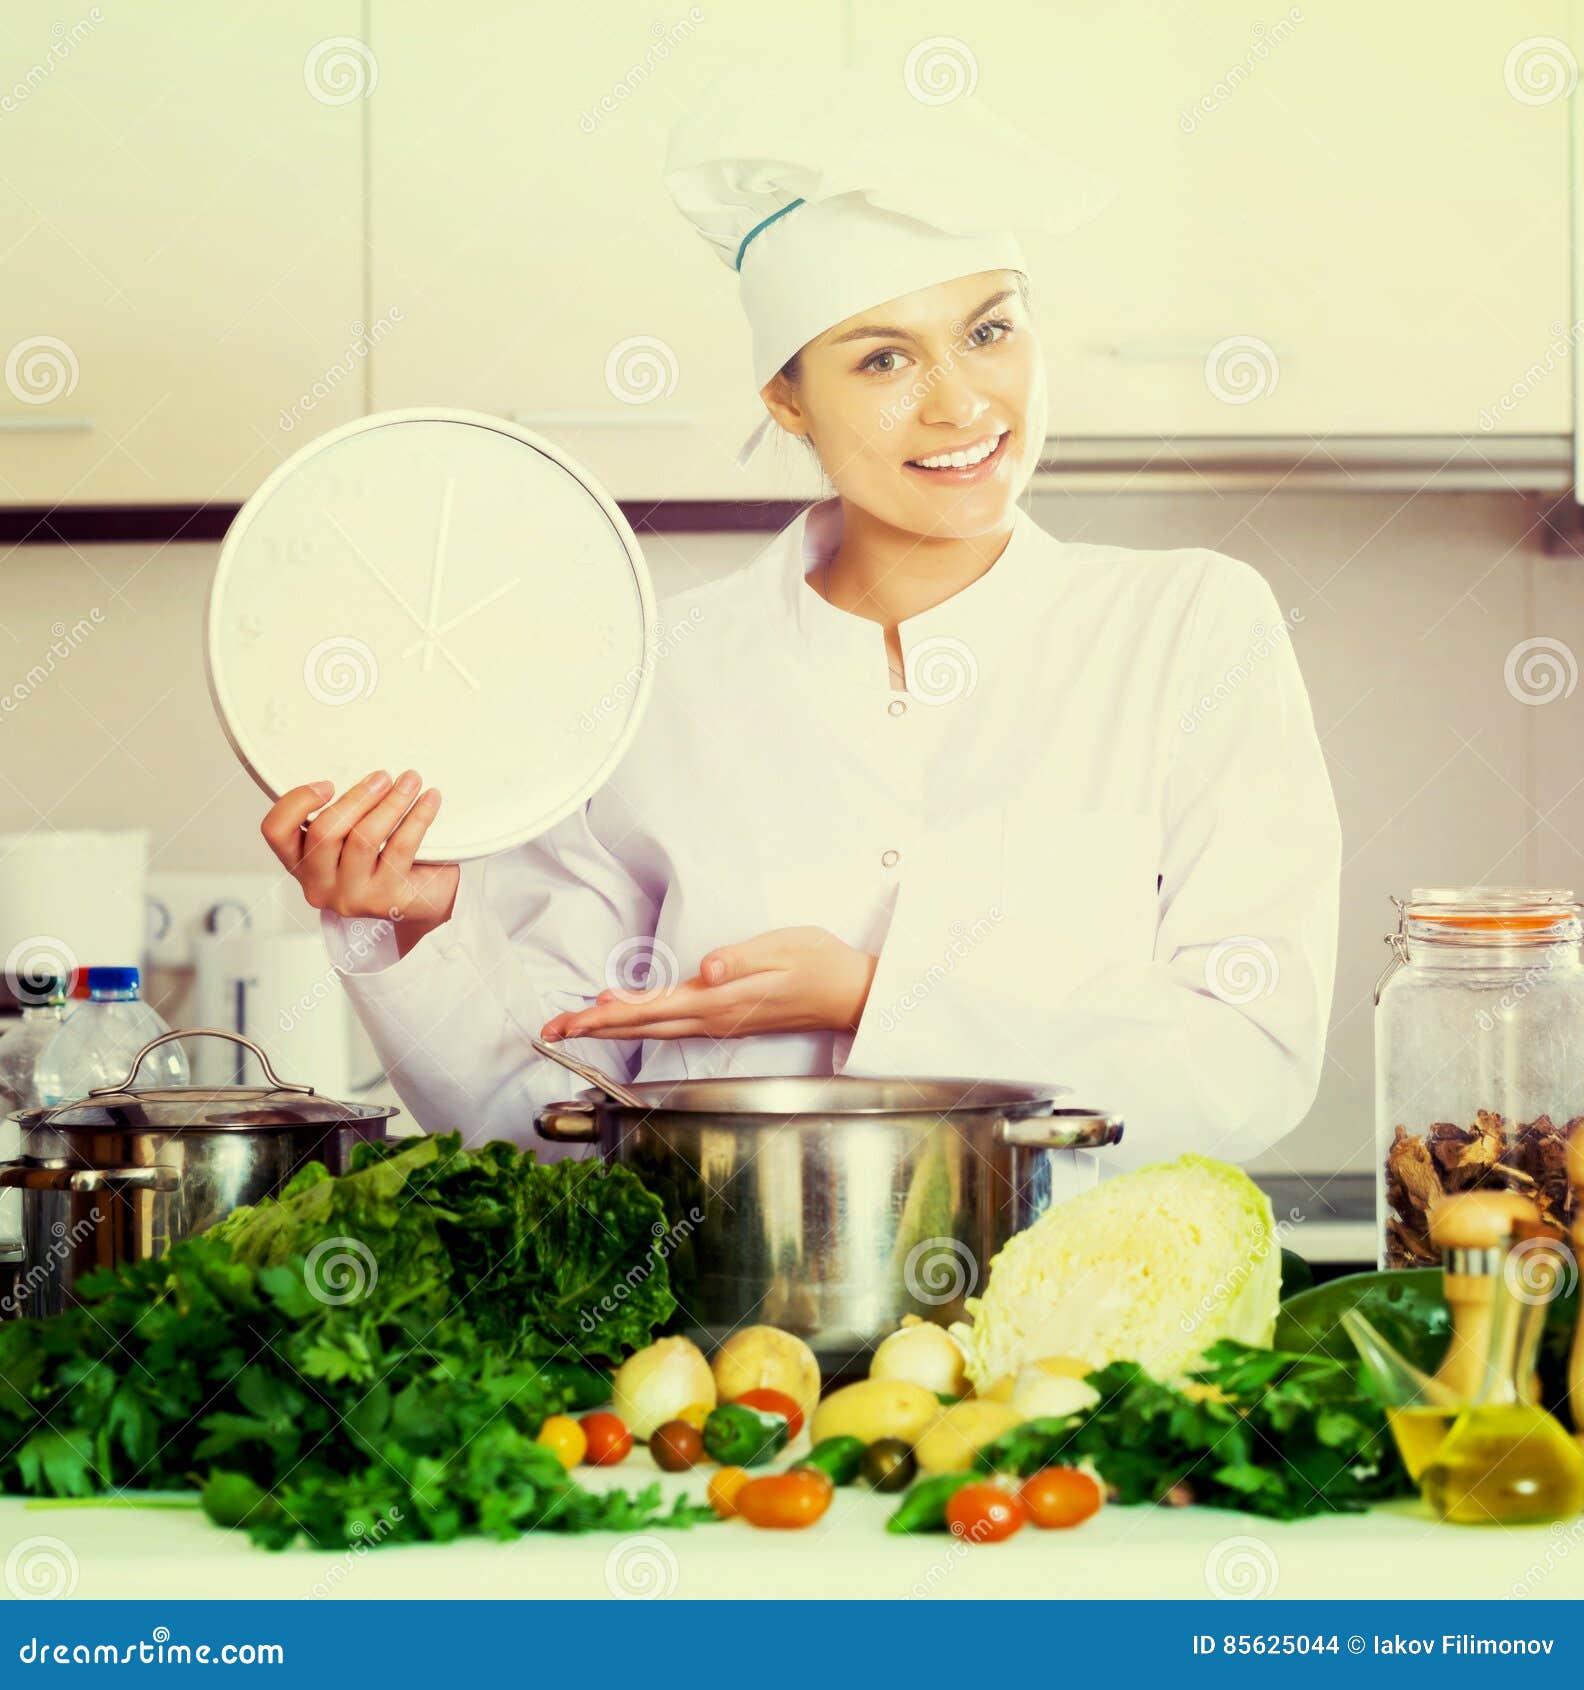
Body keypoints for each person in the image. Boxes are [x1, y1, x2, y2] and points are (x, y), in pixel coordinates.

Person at [260, 69, 1341, 1179]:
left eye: (989, 330)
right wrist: (417, 922)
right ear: (786, 399)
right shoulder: (650, 675)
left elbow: (1247, 1062)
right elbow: (544, 1118)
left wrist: (876, 996)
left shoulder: (1189, 629)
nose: (960, 403)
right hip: (719, 1285)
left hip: (1070, 1291)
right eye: (883, 358)